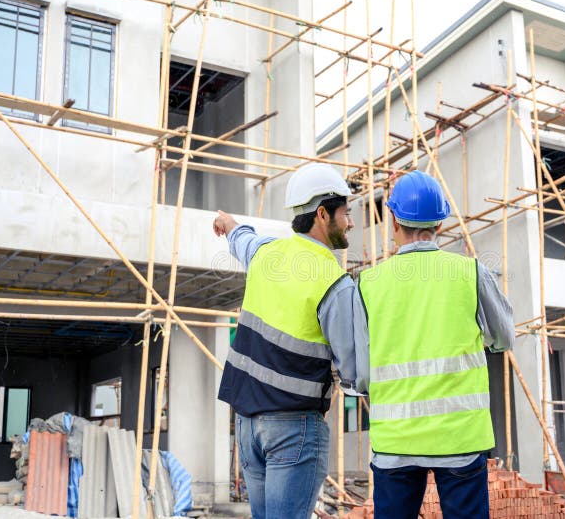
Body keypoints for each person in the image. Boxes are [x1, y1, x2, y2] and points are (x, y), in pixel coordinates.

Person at [355, 170, 514, 519]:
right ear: (440, 224)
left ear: (393, 220)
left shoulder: (368, 283)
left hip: (395, 443)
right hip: (459, 440)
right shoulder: (470, 272)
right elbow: (504, 337)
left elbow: (361, 374)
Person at [212, 163, 360, 519]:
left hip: (247, 425)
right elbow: (357, 369)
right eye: (346, 213)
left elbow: (241, 241)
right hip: (293, 430)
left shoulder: (268, 254)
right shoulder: (335, 283)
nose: (351, 222)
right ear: (322, 214)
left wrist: (229, 224)